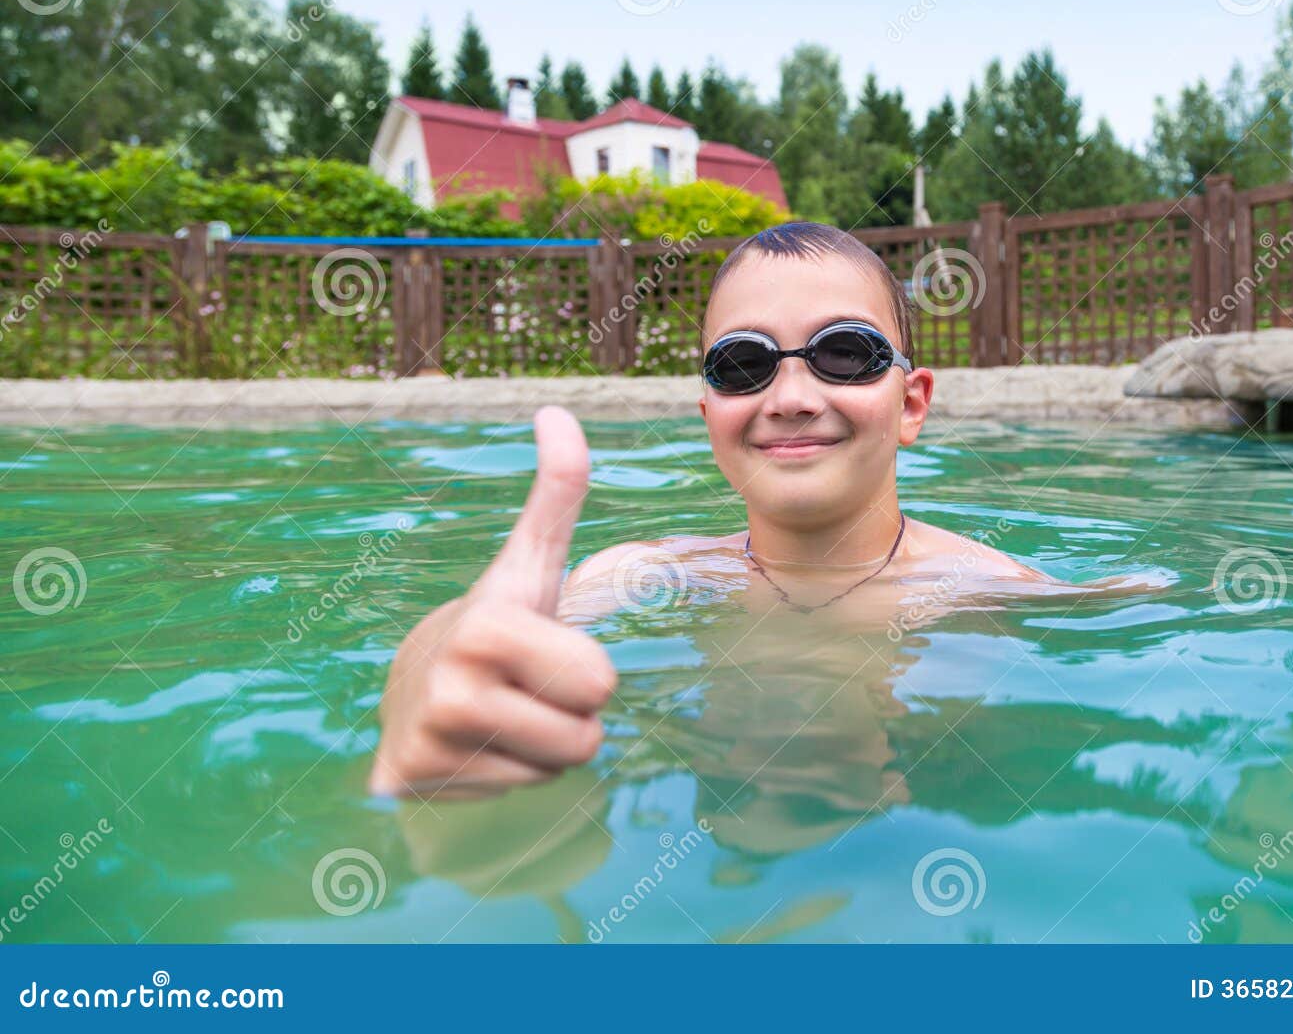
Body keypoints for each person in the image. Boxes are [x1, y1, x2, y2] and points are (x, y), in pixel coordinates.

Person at [370, 222, 1156, 798]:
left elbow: (1138, 618)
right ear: (709, 412)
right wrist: (425, 679)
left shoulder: (989, 585)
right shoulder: (651, 576)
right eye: (743, 364)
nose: (791, 397)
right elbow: (482, 639)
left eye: (845, 353)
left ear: (911, 403)